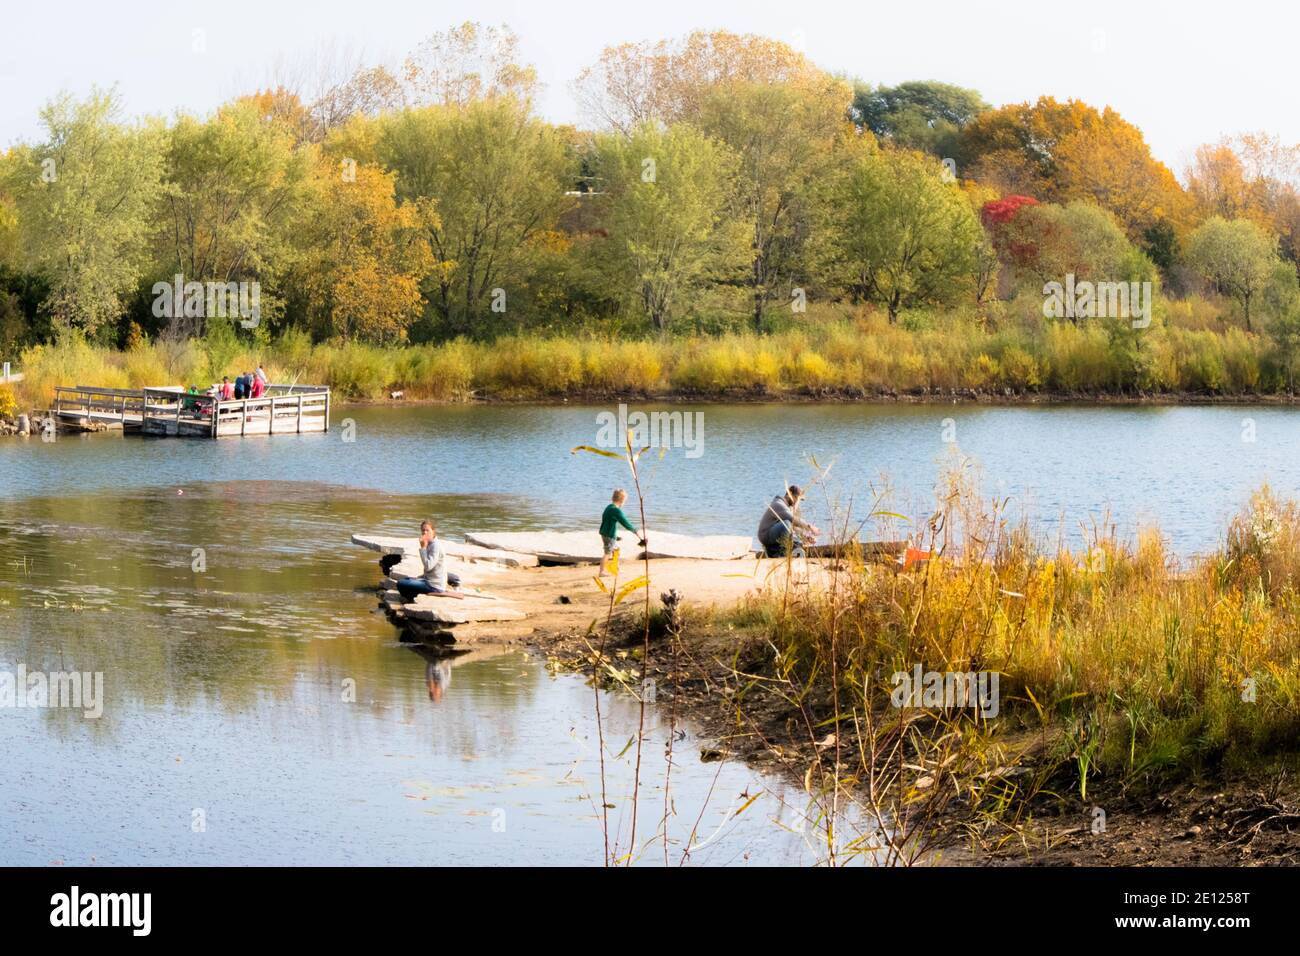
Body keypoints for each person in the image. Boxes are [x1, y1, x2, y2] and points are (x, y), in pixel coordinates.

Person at [396, 520, 462, 602]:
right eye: (423, 530)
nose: (425, 533)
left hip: (434, 586)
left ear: (433, 531)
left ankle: (410, 598)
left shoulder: (435, 546)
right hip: (430, 579)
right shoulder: (430, 543)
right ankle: (414, 592)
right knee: (407, 579)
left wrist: (423, 548)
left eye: (427, 530)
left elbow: (428, 567)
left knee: (400, 583)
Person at [757, 484, 820, 558]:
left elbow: (793, 527)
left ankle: (773, 551)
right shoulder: (778, 504)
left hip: (772, 534)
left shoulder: (786, 506)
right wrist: (810, 527)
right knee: (786, 524)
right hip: (765, 536)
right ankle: (782, 552)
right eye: (796, 497)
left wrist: (806, 537)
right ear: (789, 493)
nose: (796, 501)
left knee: (789, 526)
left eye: (799, 500)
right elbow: (792, 519)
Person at [598, 488, 645, 577]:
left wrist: (615, 536)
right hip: (608, 535)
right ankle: (601, 572)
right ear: (622, 500)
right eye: (624, 501)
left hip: (606, 533)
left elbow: (607, 521)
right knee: (607, 553)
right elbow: (625, 522)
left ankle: (616, 569)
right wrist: (634, 530)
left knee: (616, 550)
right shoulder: (616, 510)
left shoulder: (609, 507)